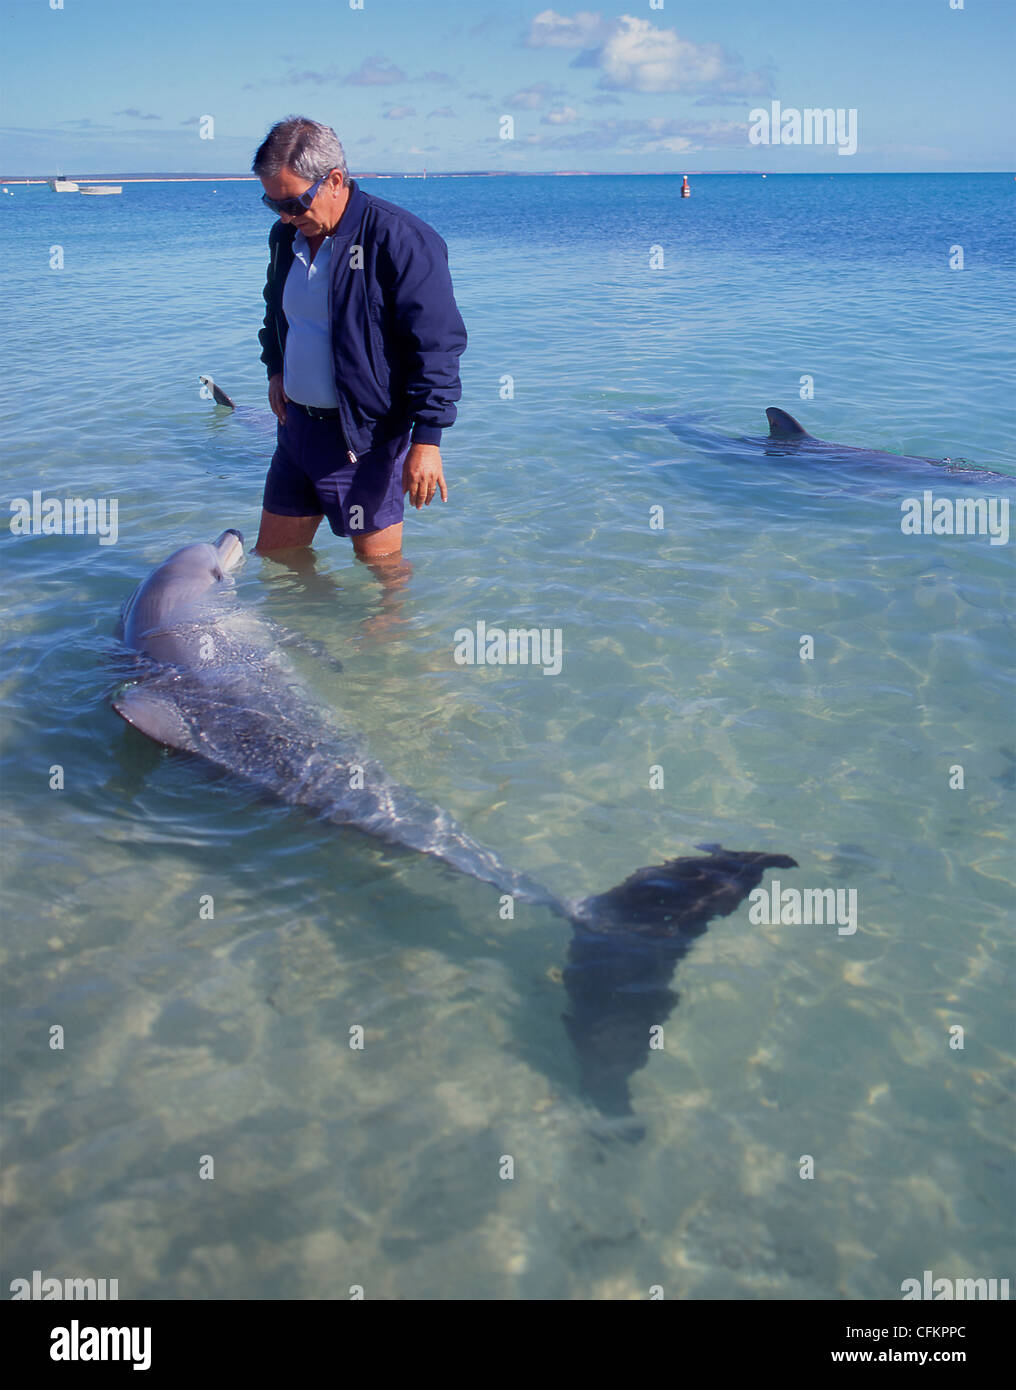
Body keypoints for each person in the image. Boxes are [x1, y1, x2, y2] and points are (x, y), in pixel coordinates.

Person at [252, 116, 467, 570]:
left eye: (293, 202)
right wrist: (276, 369)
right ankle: (302, 639)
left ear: (334, 180)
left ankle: (392, 643)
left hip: (365, 440)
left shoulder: (401, 239)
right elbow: (275, 310)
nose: (287, 216)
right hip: (295, 434)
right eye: (274, 206)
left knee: (382, 577)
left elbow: (436, 344)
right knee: (276, 561)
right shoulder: (285, 236)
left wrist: (428, 440)